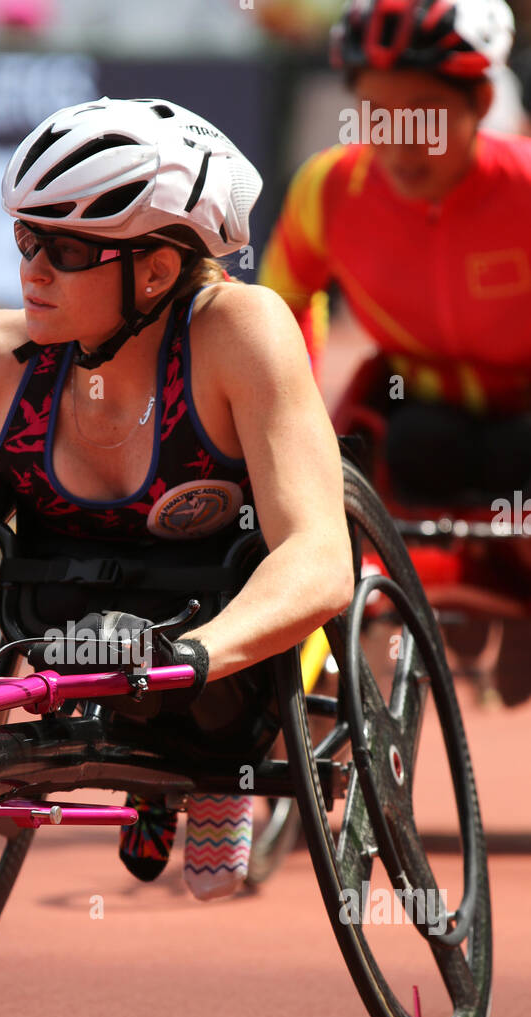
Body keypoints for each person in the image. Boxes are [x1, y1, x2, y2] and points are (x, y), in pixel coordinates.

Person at [0, 97, 353, 897]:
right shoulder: (5, 361)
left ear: (155, 269)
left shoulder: (240, 334)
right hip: (63, 628)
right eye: (26, 236)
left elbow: (323, 559)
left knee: (215, 702)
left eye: (67, 247)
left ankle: (203, 773)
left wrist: (192, 659)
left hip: (217, 654)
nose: (32, 269)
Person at [258, 0, 531, 701]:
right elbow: (278, 312)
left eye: (425, 112)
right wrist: (297, 426)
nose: (400, 140)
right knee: (413, 441)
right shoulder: (330, 189)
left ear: (481, 100)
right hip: (419, 419)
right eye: (376, 112)